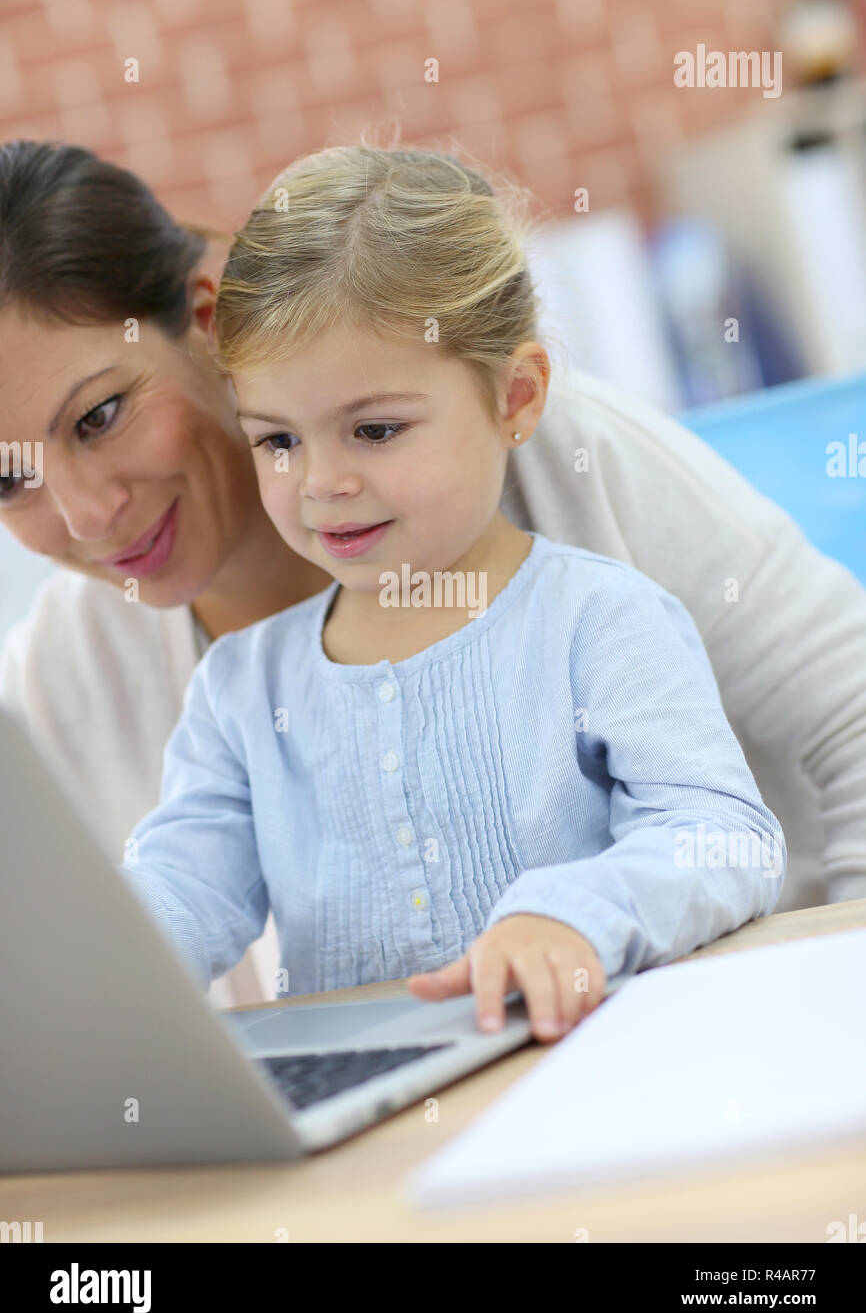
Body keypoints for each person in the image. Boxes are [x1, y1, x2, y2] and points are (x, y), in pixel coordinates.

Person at [0, 141, 863, 1011]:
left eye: (101, 416)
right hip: (386, 1117)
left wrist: (593, 920)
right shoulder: (233, 689)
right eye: (281, 442)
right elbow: (184, 879)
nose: (85, 514)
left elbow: (725, 819)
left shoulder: (598, 606)